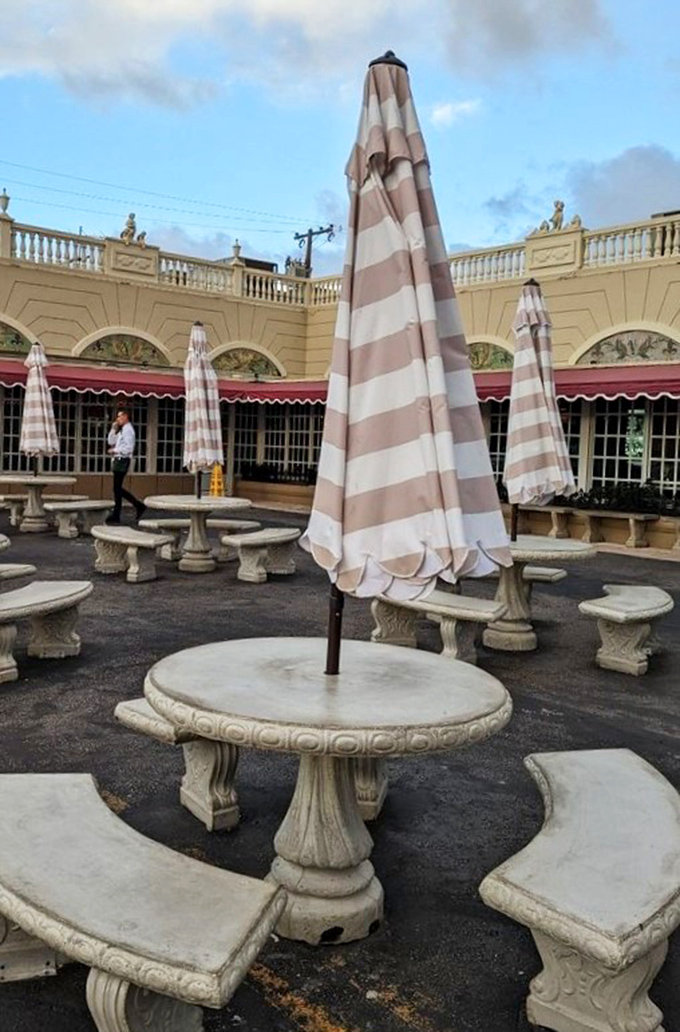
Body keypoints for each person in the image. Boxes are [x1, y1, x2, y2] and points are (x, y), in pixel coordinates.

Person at [105, 407, 146, 525]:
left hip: (122, 459)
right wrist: (113, 429)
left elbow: (128, 448)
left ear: (125, 416)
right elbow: (111, 441)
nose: (117, 419)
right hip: (118, 459)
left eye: (119, 416)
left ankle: (135, 506)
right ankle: (120, 512)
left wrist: (115, 451)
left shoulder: (128, 430)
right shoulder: (122, 430)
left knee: (117, 488)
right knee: (117, 489)